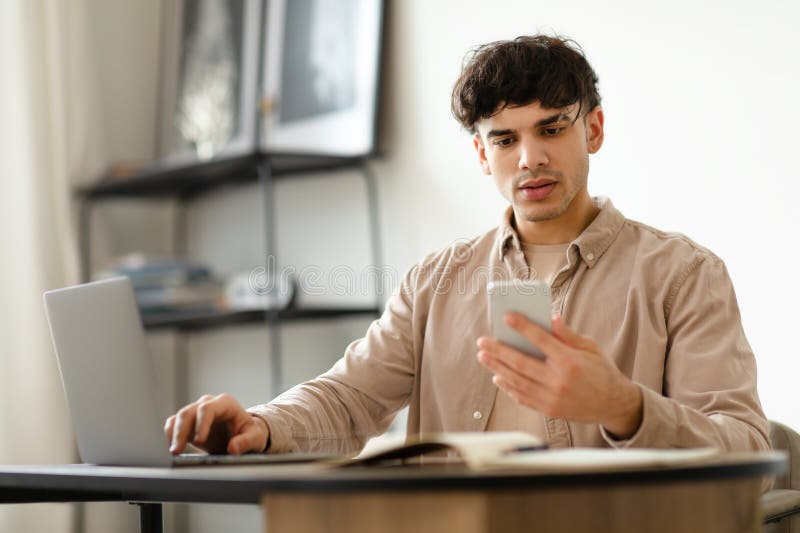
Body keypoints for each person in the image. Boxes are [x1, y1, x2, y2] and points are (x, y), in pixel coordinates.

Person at [165, 35, 770, 457]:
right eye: (504, 139)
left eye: (552, 128)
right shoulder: (435, 280)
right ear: (483, 155)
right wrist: (261, 425)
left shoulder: (683, 275)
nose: (529, 157)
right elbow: (349, 398)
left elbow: (745, 443)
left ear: (594, 129)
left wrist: (623, 406)